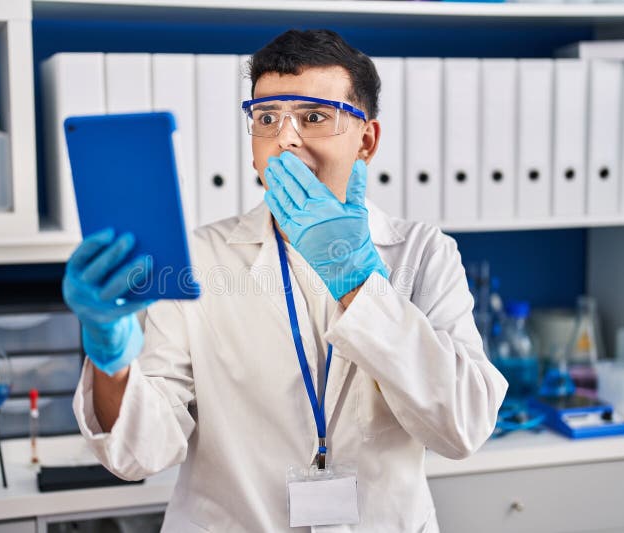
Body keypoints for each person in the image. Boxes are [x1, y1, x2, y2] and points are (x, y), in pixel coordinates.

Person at [65, 29, 508, 532]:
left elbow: (463, 428)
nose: (286, 138)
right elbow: (140, 453)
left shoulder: (424, 254)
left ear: (367, 140)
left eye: (314, 117)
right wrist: (110, 356)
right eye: (267, 118)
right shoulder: (197, 259)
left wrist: (356, 279)